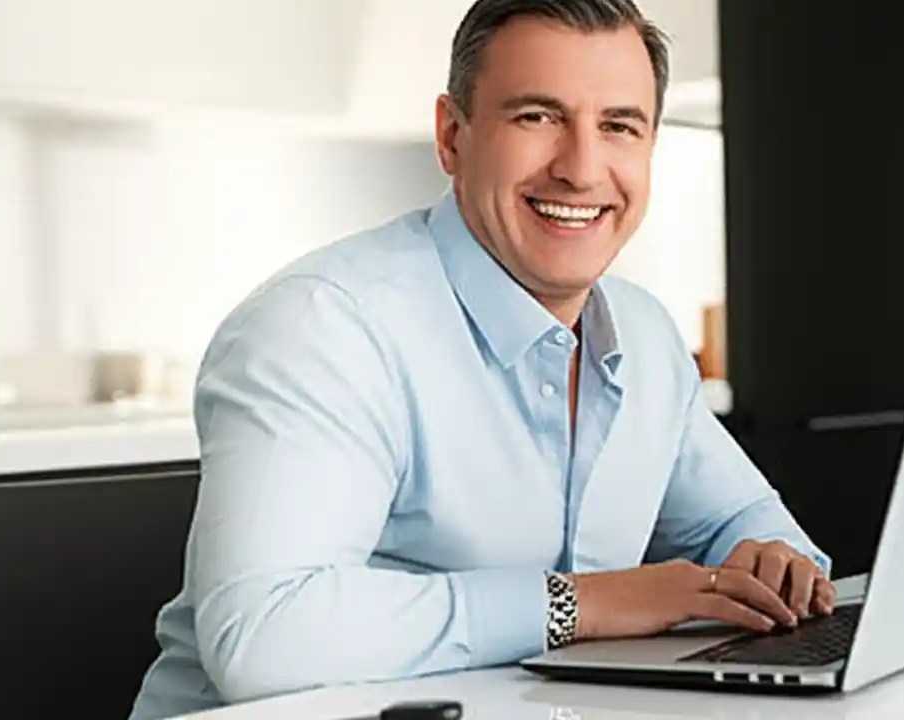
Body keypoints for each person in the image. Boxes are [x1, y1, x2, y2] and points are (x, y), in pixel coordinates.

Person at [129, 1, 833, 717]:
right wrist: (580, 604)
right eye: (537, 117)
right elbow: (266, 635)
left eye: (619, 126)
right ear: (452, 137)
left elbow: (743, 525)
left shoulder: (644, 334)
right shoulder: (324, 325)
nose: (581, 168)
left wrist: (780, 568)